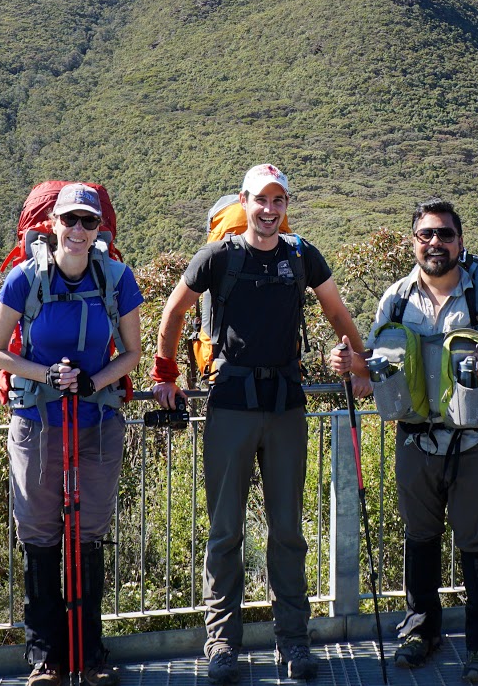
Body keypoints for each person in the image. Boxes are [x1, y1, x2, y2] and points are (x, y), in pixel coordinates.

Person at [150, 164, 366, 684]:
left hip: (287, 403)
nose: (269, 210)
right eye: (261, 200)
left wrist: (359, 362)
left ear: (286, 204)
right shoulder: (219, 257)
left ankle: (294, 642)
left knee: (287, 532)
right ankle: (222, 642)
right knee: (225, 531)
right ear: (244, 201)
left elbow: (336, 312)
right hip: (230, 403)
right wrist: (164, 373)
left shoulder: (301, 255)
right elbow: (173, 312)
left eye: (278, 200)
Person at [329, 198, 478, 684]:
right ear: (414, 242)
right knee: (419, 539)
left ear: (460, 242)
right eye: (426, 235)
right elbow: (375, 361)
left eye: (444, 234)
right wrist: (348, 364)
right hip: (415, 442)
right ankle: (420, 632)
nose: (435, 243)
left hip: (475, 442)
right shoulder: (396, 299)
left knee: (476, 543)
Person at [0, 183, 144, 686]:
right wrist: (47, 374)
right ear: (51, 225)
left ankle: (89, 652)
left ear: (100, 229)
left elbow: (131, 354)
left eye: (87, 222)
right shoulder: (23, 279)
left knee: (89, 533)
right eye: (69, 221)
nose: (77, 231)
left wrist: (93, 381)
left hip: (96, 420)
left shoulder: (117, 279)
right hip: (37, 423)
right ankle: (46, 655)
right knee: (40, 534)